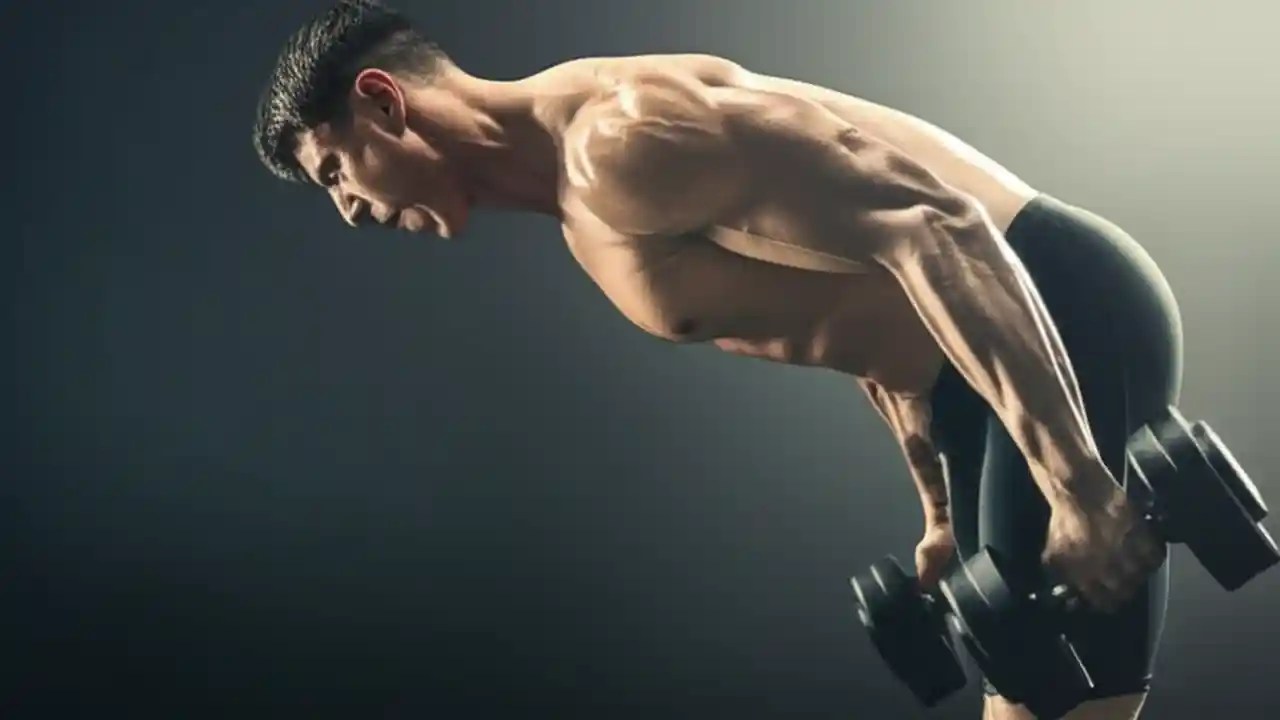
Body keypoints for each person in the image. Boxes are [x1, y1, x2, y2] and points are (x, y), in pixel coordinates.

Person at [251, 2, 1182, 718]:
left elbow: (936, 227)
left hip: (1059, 304)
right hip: (982, 371)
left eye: (336, 173)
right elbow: (860, 306)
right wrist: (939, 508)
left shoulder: (621, 142)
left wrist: (1080, 486)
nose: (349, 210)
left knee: (1045, 696)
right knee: (1070, 697)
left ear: (382, 100)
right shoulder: (578, 210)